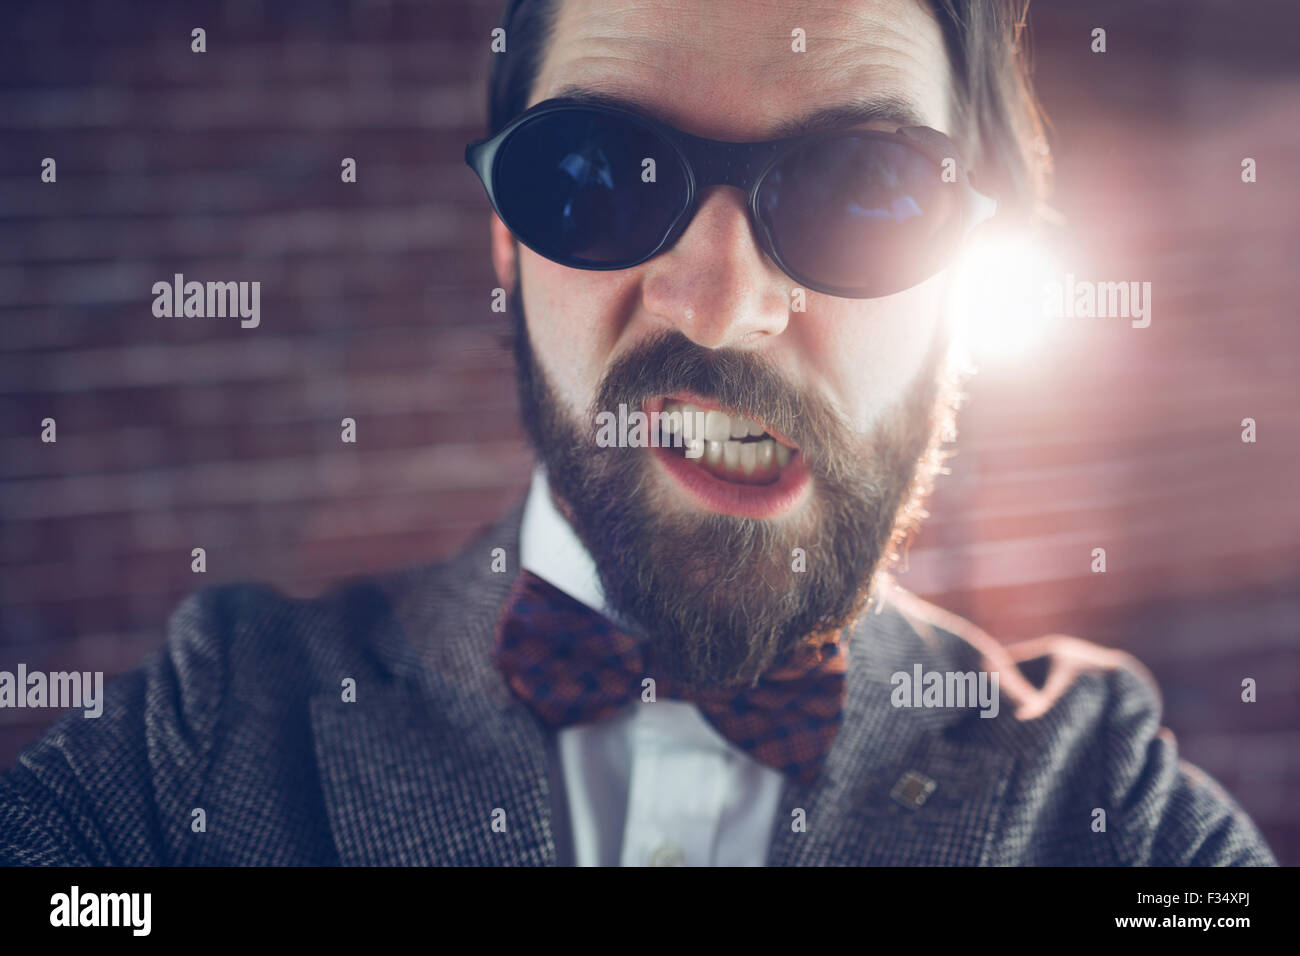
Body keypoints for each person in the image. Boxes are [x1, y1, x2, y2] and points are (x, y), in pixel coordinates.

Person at [0, 0, 1276, 866]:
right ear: (505, 236)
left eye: (864, 192)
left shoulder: (1103, 789)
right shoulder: (219, 719)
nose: (720, 309)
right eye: (595, 172)